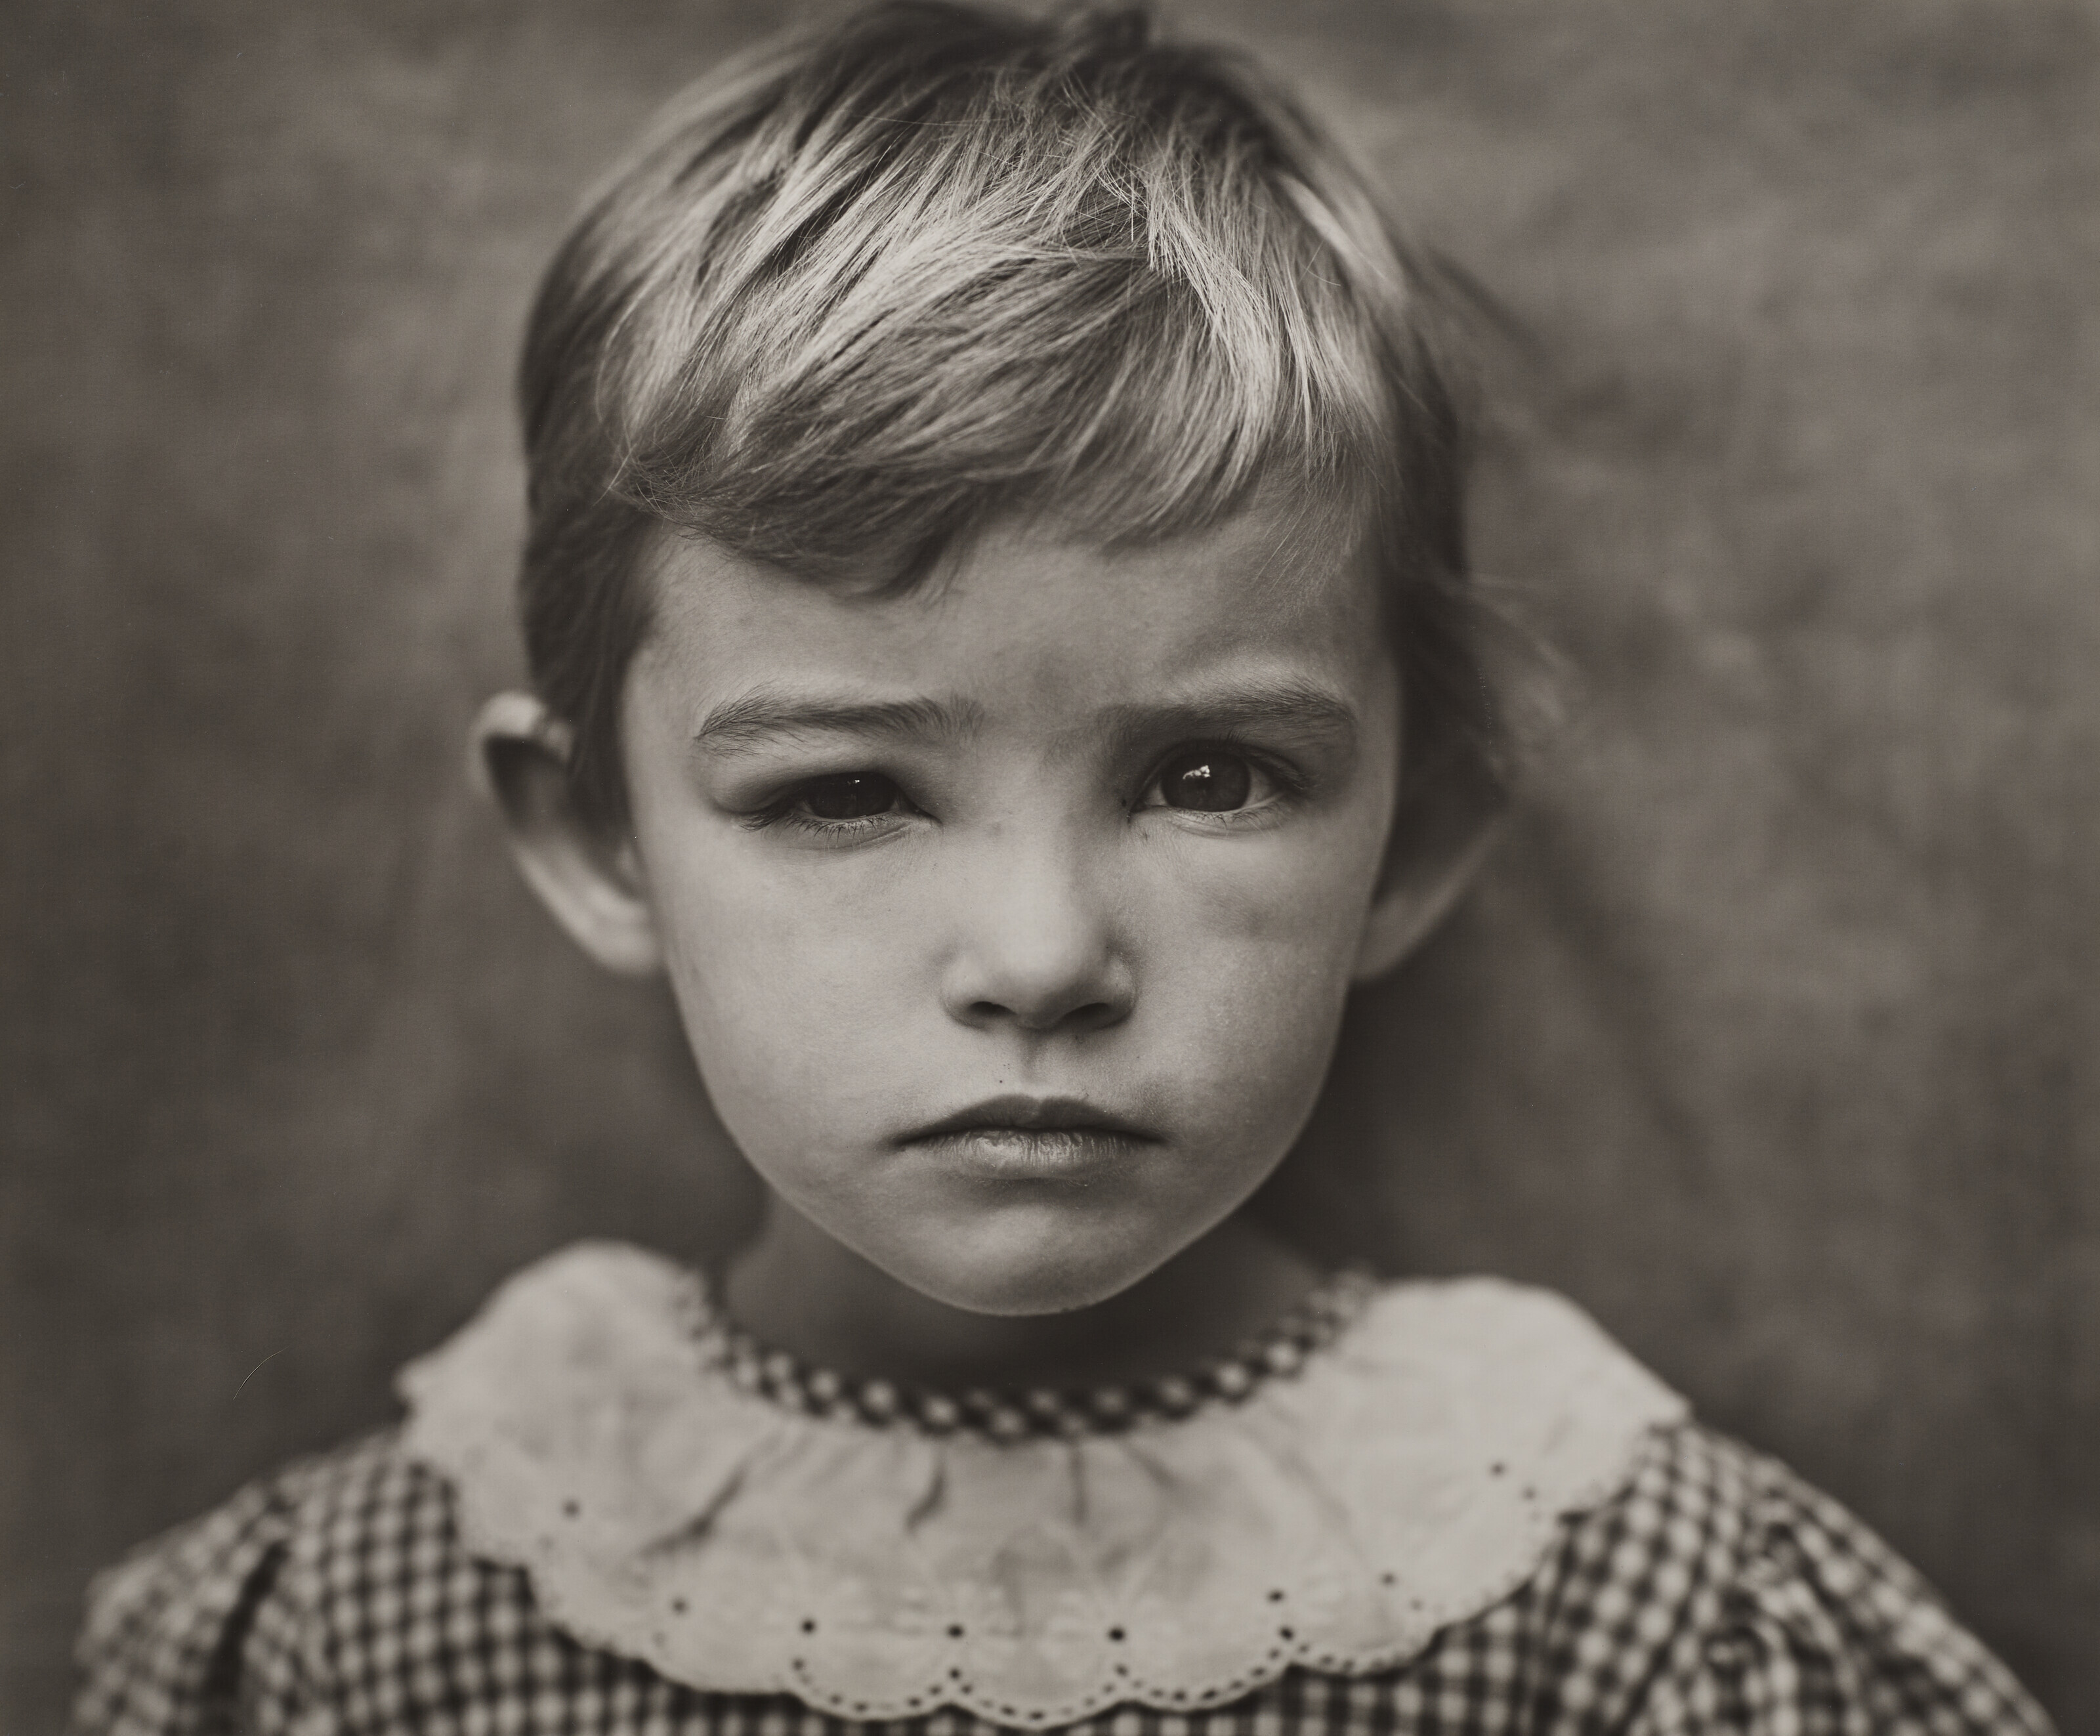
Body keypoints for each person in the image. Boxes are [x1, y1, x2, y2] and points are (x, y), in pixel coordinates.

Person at [71, 5, 2053, 1731]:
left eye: (1208, 774)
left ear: (1417, 842)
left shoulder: (1623, 1602)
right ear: (597, 840)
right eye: (845, 792)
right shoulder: (373, 1621)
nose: (1042, 955)